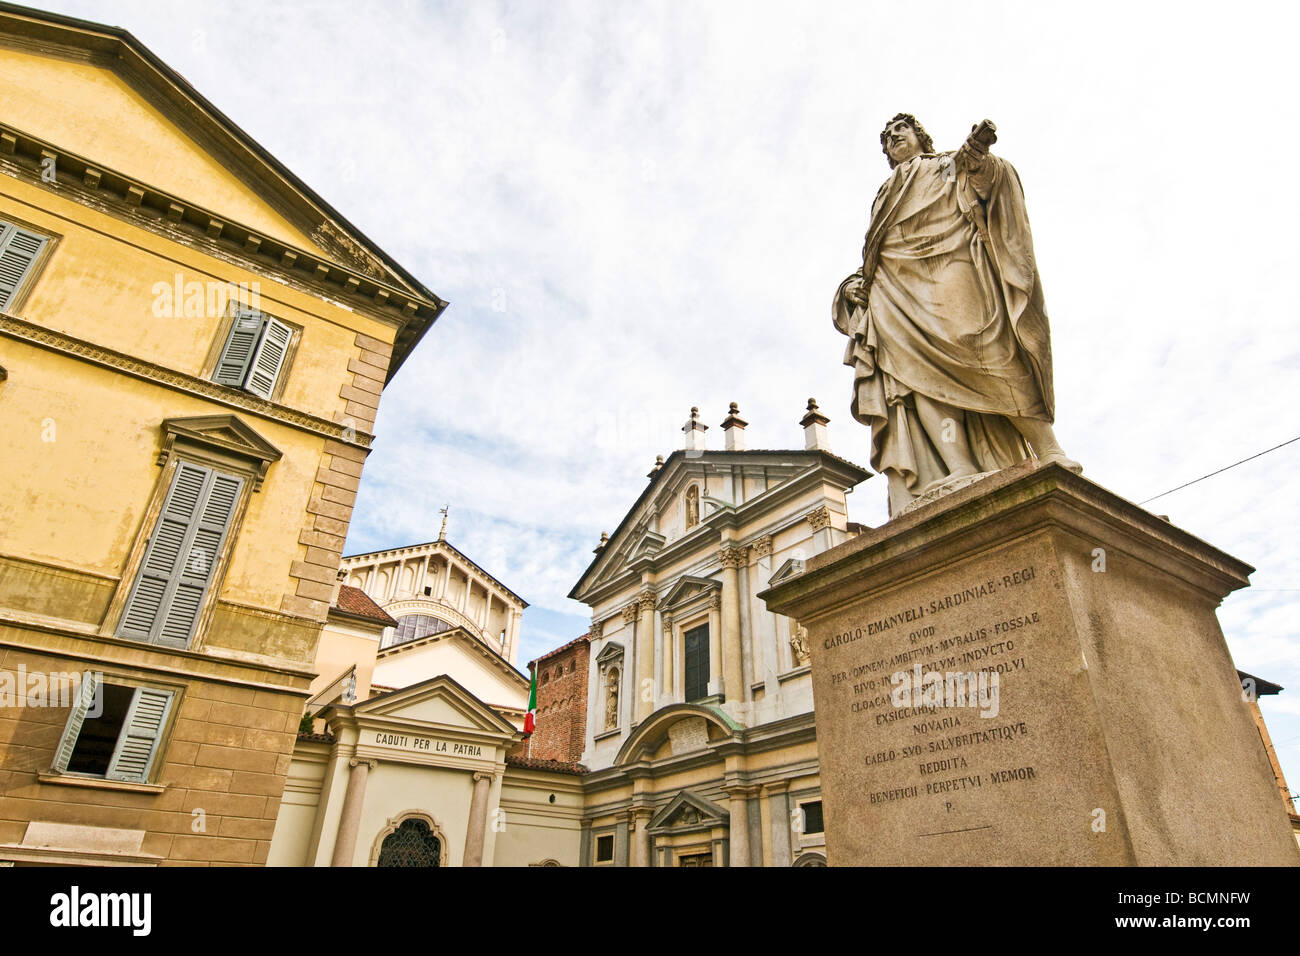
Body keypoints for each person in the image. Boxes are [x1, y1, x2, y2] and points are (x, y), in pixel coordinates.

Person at [834, 113, 1080, 516]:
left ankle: (1050, 450)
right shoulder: (883, 192)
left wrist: (980, 156)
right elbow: (873, 254)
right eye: (888, 137)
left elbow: (989, 182)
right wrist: (851, 288)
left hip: (952, 268)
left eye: (902, 130)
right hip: (895, 290)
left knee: (991, 352)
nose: (895, 138)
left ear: (921, 137)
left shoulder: (951, 163)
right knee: (915, 379)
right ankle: (959, 466)